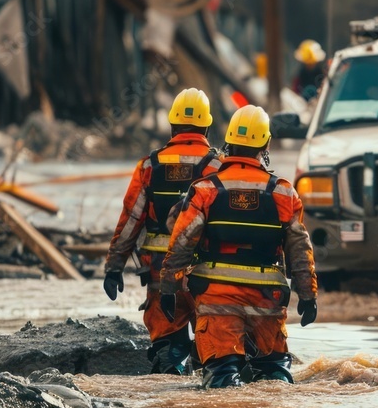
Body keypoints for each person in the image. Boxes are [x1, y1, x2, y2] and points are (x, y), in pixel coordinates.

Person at [159, 104, 318, 389]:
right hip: (267, 301)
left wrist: (169, 288)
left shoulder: (205, 189)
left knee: (221, 378)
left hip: (216, 299)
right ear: (267, 143)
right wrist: (308, 295)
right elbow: (299, 249)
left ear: (229, 142)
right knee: (274, 376)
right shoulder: (283, 192)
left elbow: (181, 242)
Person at [103, 88, 218, 375]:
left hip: (158, 268)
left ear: (172, 125)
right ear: (206, 125)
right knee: (214, 345)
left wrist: (114, 266)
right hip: (205, 271)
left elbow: (131, 219)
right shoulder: (219, 167)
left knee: (168, 343)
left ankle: (166, 406)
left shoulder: (149, 166)